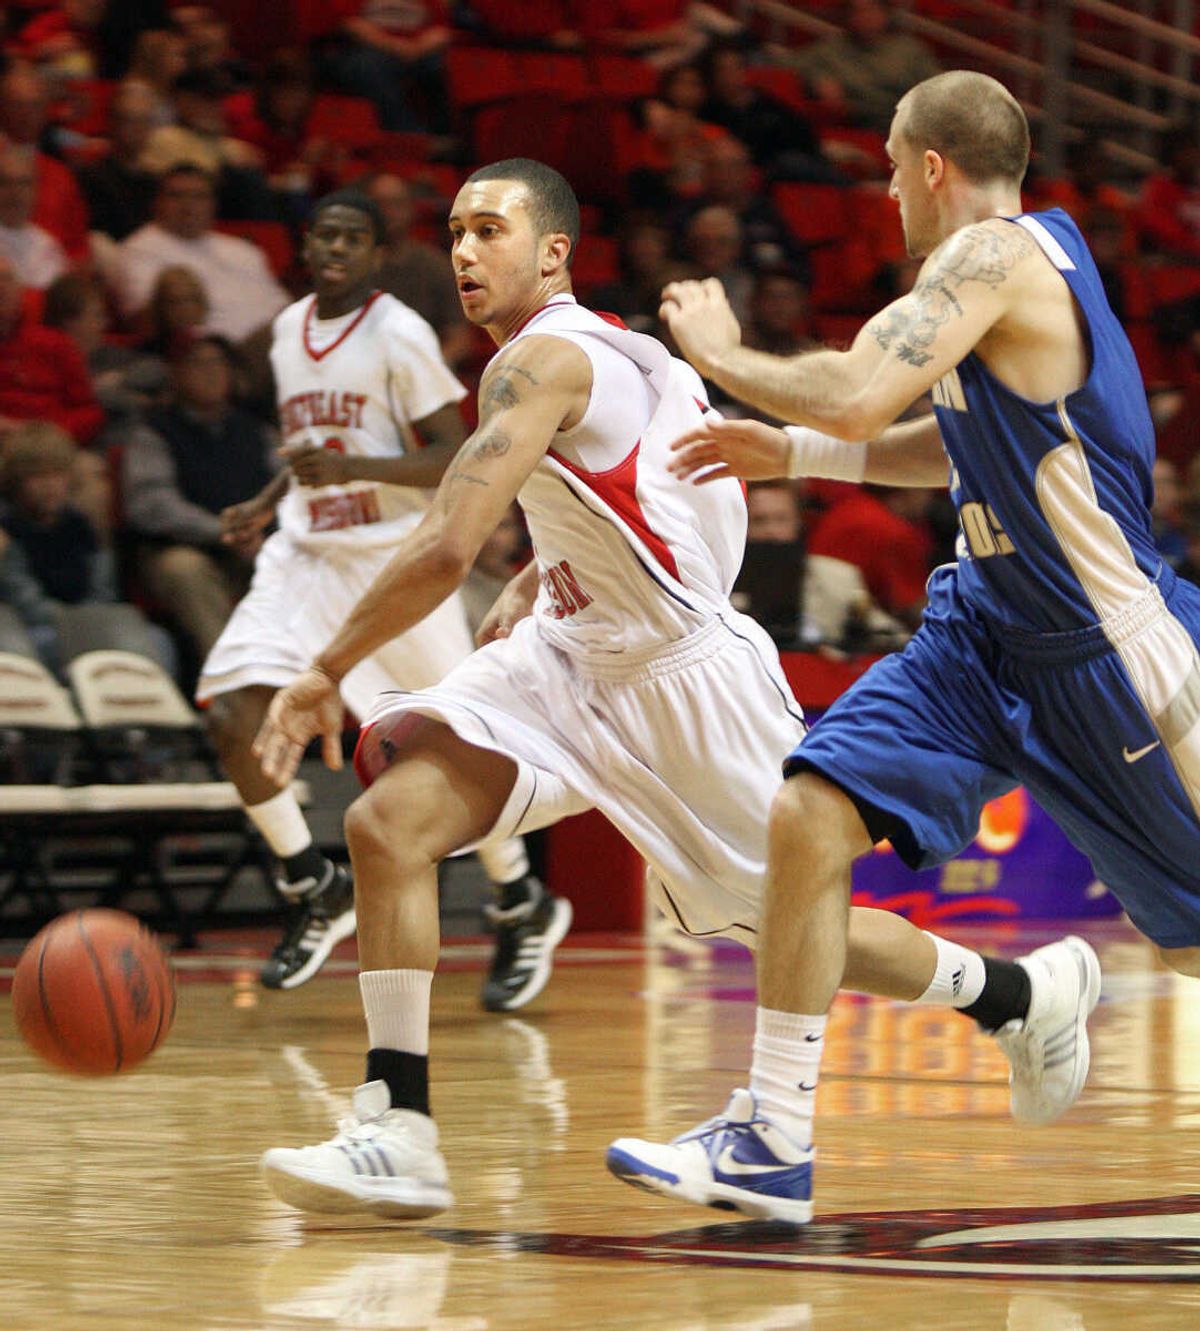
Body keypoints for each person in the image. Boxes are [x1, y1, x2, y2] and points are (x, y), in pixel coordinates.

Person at [250, 157, 1066, 1220]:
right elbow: (672, 493)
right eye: (453, 230)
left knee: (784, 923)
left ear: (553, 252)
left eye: (488, 230)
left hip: (680, 679)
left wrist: (321, 670)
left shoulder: (536, 363)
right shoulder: (624, 351)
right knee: (386, 824)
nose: (461, 250)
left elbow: (449, 544)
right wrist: (553, 571)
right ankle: (397, 1126)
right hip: (567, 653)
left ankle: (1020, 994)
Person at [606, 68, 1200, 1223]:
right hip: (979, 629)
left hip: (1106, 651)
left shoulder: (995, 256)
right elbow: (959, 442)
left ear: (933, 167)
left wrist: (724, 354)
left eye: (888, 167)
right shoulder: (1006, 292)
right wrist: (800, 461)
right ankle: (770, 1136)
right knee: (807, 811)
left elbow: (857, 393)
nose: (883, 192)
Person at [196, 189, 559, 999]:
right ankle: (309, 882)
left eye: (352, 238)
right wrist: (264, 504)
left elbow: (453, 452)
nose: (335, 249)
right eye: (323, 235)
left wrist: (356, 471)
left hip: (391, 561)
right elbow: (315, 448)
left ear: (374, 254)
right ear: (304, 246)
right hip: (304, 554)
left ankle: (519, 899)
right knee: (231, 710)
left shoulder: (398, 332)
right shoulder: (289, 331)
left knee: (451, 746)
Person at [111, 165, 289, 343]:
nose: (189, 205)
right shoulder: (139, 250)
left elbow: (281, 305)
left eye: (199, 197)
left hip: (276, 345)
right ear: (156, 202)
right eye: (177, 196)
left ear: (213, 204)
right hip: (209, 355)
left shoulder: (244, 250)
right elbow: (146, 321)